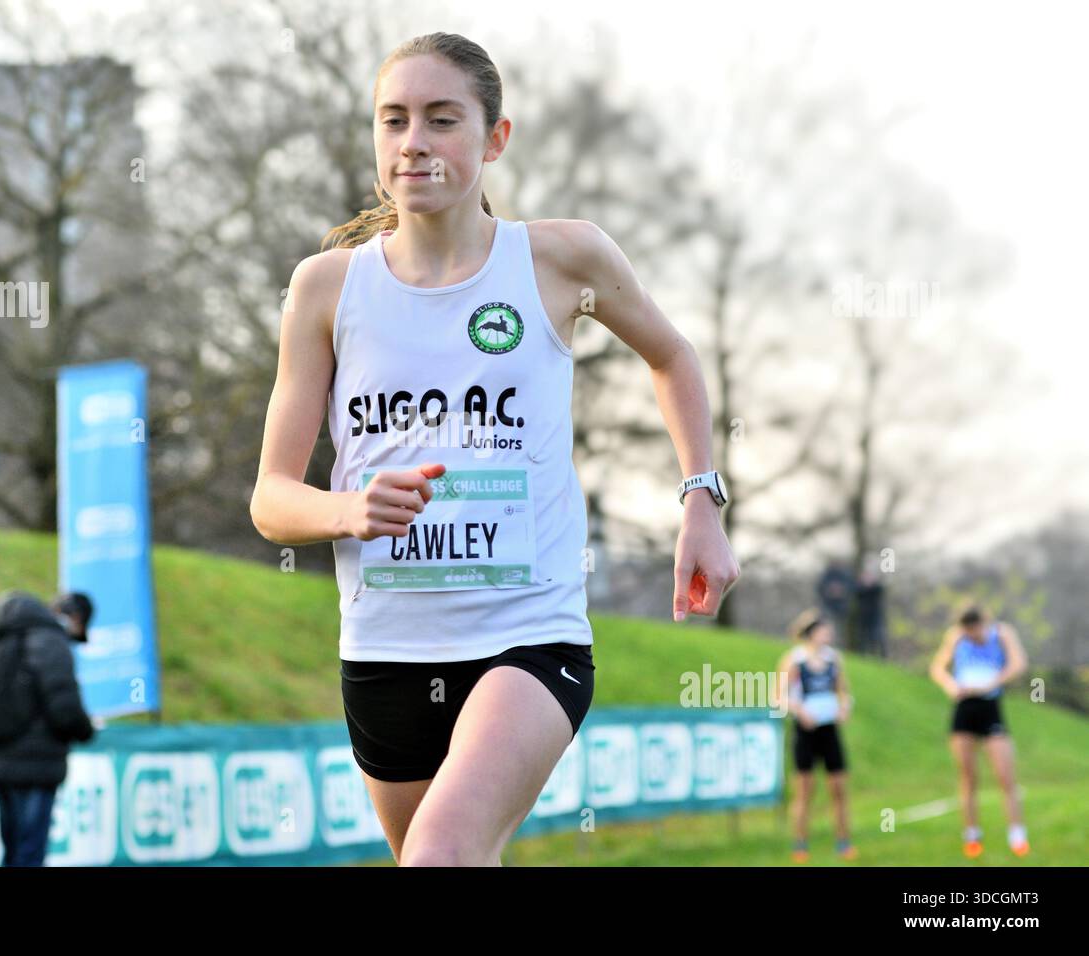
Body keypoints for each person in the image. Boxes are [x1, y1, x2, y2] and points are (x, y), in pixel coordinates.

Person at [249, 32, 740, 866]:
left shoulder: (558, 259)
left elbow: (671, 355)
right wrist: (347, 510)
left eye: (443, 120)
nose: (415, 142)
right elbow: (269, 498)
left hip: (528, 633)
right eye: (394, 120)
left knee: (440, 851)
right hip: (385, 650)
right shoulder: (326, 289)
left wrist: (701, 499)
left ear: (494, 139)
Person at [0, 590, 96, 867]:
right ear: (76, 618)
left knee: (12, 850)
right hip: (36, 767)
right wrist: (86, 729)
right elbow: (64, 707)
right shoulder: (51, 642)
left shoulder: (2, 636)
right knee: (30, 853)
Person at [929, 602, 1030, 858]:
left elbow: (1018, 664)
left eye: (975, 630)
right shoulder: (956, 636)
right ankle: (972, 836)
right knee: (968, 775)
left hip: (990, 706)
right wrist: (951, 686)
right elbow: (938, 667)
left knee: (1005, 774)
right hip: (964, 708)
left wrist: (992, 682)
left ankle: (1017, 835)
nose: (972, 635)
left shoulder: (1002, 633)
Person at [783, 608, 856, 862]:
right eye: (825, 630)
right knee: (805, 789)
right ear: (812, 633)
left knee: (838, 787)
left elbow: (843, 692)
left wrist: (844, 707)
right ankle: (800, 844)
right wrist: (800, 711)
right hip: (806, 731)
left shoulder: (834, 659)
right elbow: (780, 696)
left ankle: (844, 842)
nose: (829, 634)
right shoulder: (795, 660)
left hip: (829, 729)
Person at [853, 555, 888, 657]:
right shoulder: (860, 586)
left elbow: (878, 591)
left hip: (875, 615)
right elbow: (858, 593)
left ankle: (882, 656)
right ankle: (864, 655)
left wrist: (870, 584)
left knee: (878, 636)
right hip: (863, 615)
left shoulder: (877, 586)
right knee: (863, 636)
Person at [816, 560, 855, 648]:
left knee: (839, 630)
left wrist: (842, 591)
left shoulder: (846, 575)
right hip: (827, 606)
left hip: (841, 608)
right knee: (825, 625)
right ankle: (824, 645)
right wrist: (829, 591)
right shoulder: (827, 575)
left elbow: (851, 589)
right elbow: (820, 588)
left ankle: (839, 646)